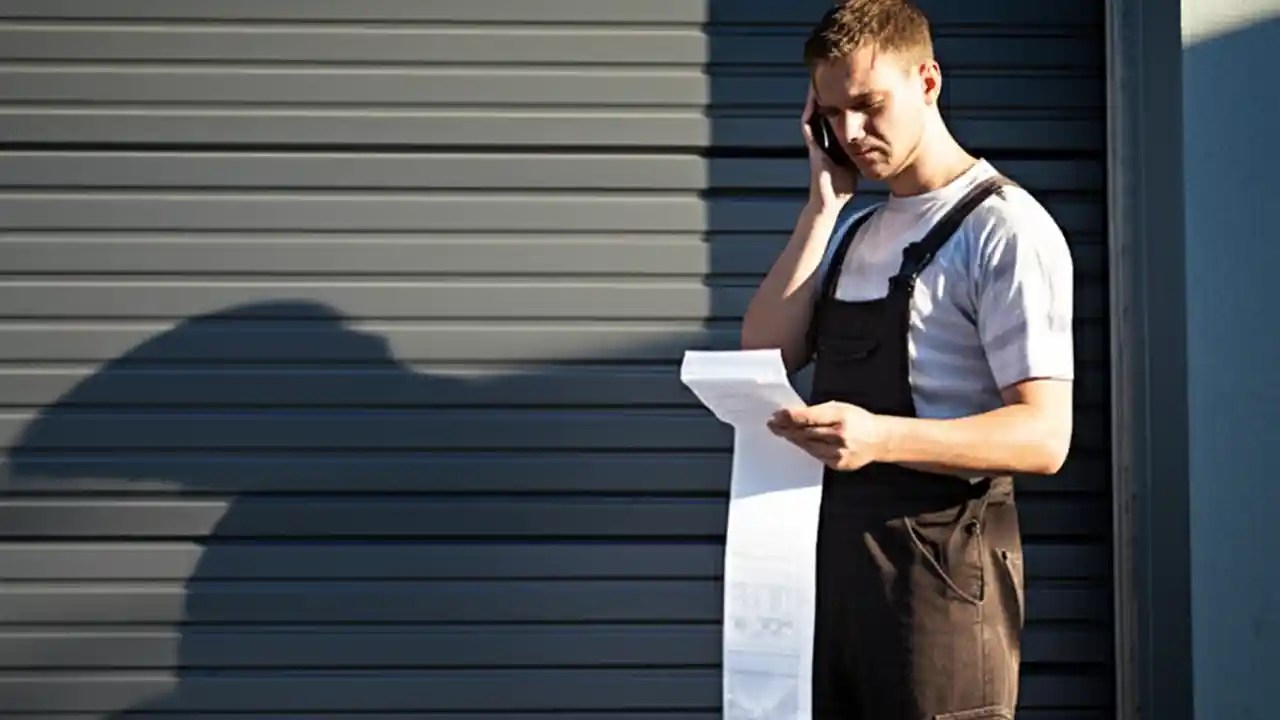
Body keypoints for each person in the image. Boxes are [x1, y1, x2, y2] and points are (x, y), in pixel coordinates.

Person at [739, 0, 1075, 717]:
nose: (851, 133)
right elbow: (764, 353)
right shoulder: (856, 229)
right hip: (837, 575)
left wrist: (879, 437)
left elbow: (1045, 438)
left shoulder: (1004, 231)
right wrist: (821, 209)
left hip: (944, 578)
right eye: (831, 114)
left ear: (928, 80)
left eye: (868, 105)